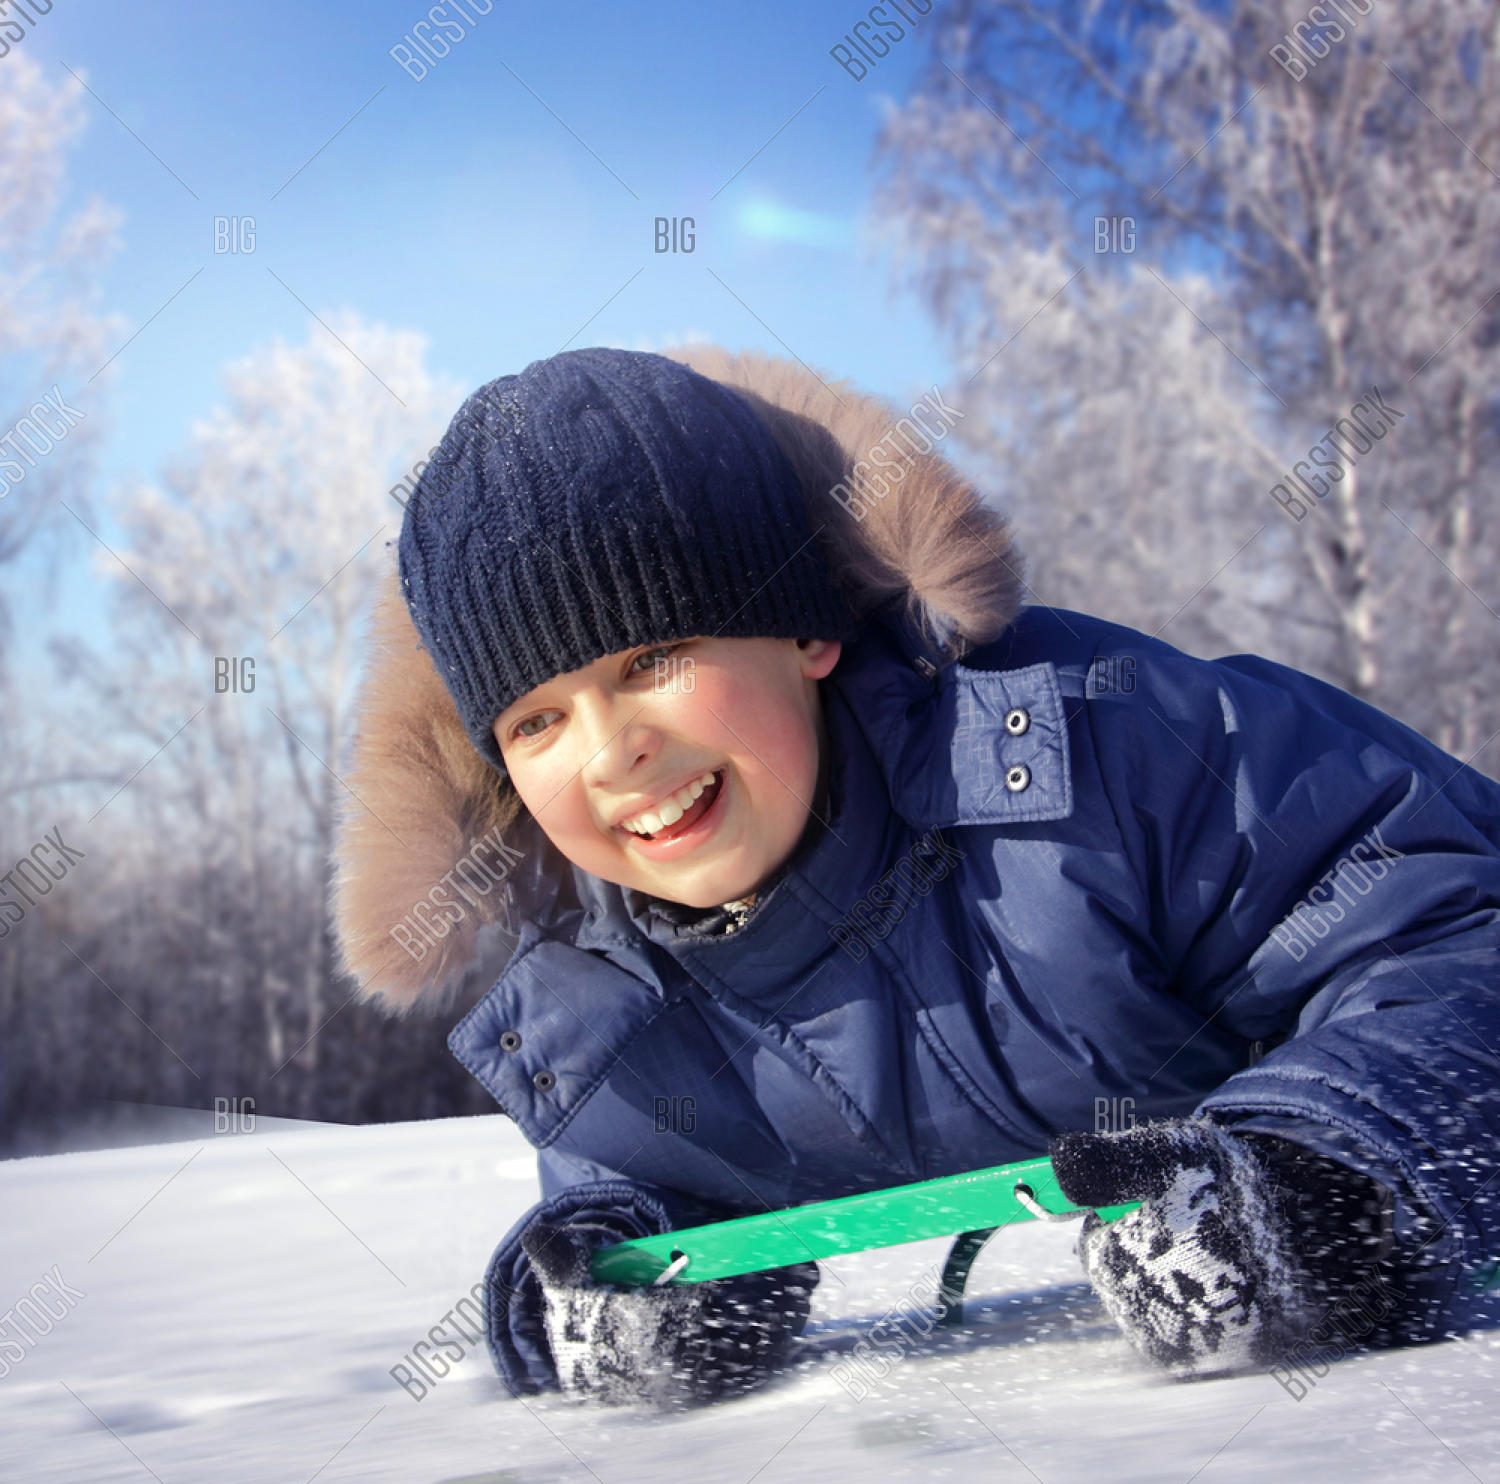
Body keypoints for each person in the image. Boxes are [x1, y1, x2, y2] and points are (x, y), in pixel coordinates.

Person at [332, 345, 1500, 1405]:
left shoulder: (1095, 756)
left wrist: (1319, 1178)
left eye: (655, 657)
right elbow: (638, 1181)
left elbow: (1449, 926)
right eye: (537, 721)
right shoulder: (602, 998)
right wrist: (618, 1286)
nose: (611, 752)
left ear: (807, 629)